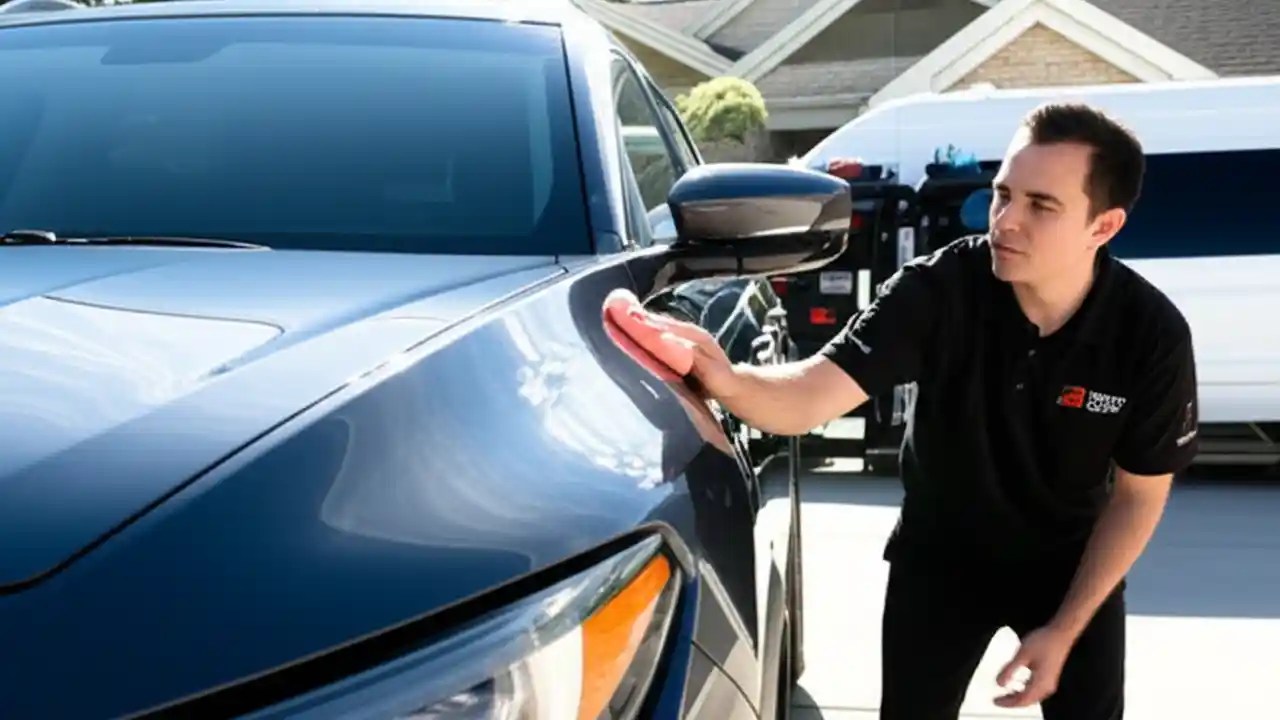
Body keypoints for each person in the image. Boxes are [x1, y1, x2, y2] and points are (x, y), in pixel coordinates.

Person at [651, 102, 1199, 719]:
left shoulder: (1149, 335)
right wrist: (722, 377)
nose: (1006, 221)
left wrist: (1067, 629)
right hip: (940, 560)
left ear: (1104, 226)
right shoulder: (940, 289)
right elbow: (808, 396)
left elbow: (1139, 497)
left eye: (1041, 205)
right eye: (1002, 194)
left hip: (1069, 567)